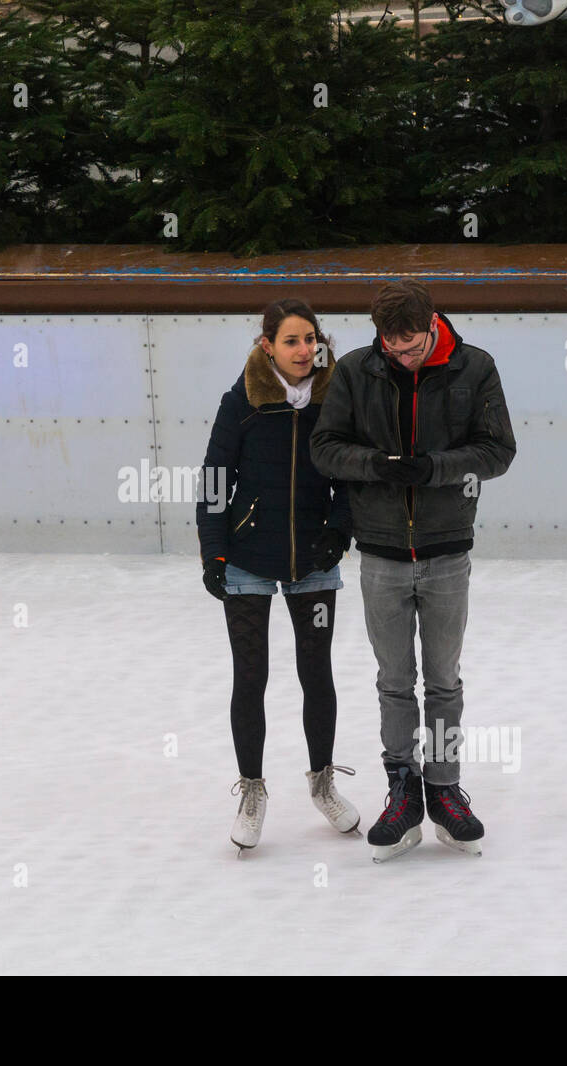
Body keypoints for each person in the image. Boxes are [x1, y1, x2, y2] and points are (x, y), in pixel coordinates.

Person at [310, 280, 516, 860]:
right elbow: (324, 448)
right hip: (380, 553)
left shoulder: (475, 368)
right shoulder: (355, 370)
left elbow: (498, 450)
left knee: (444, 680)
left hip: (447, 549)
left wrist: (434, 470)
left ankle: (445, 787)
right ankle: (402, 789)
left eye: (412, 348)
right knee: (394, 681)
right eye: (392, 349)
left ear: (433, 326)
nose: (402, 358)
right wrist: (376, 466)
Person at [196, 298, 360, 853]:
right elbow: (216, 480)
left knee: (317, 672)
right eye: (290, 341)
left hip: (314, 561)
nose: (303, 350)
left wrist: (338, 532)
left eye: (309, 339)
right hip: (247, 561)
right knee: (252, 675)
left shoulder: (334, 400)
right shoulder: (241, 401)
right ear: (268, 345)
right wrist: (213, 553)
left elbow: (352, 479)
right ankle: (253, 790)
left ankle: (322, 782)